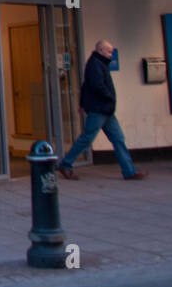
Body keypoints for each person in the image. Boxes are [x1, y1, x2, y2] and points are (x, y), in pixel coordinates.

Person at [57, 40, 147, 181]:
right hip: (99, 109)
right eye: (109, 51)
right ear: (100, 51)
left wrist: (83, 103)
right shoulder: (95, 65)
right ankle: (65, 164)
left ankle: (129, 171)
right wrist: (109, 96)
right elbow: (95, 85)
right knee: (87, 138)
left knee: (118, 138)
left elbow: (86, 86)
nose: (111, 54)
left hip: (106, 110)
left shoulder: (98, 63)